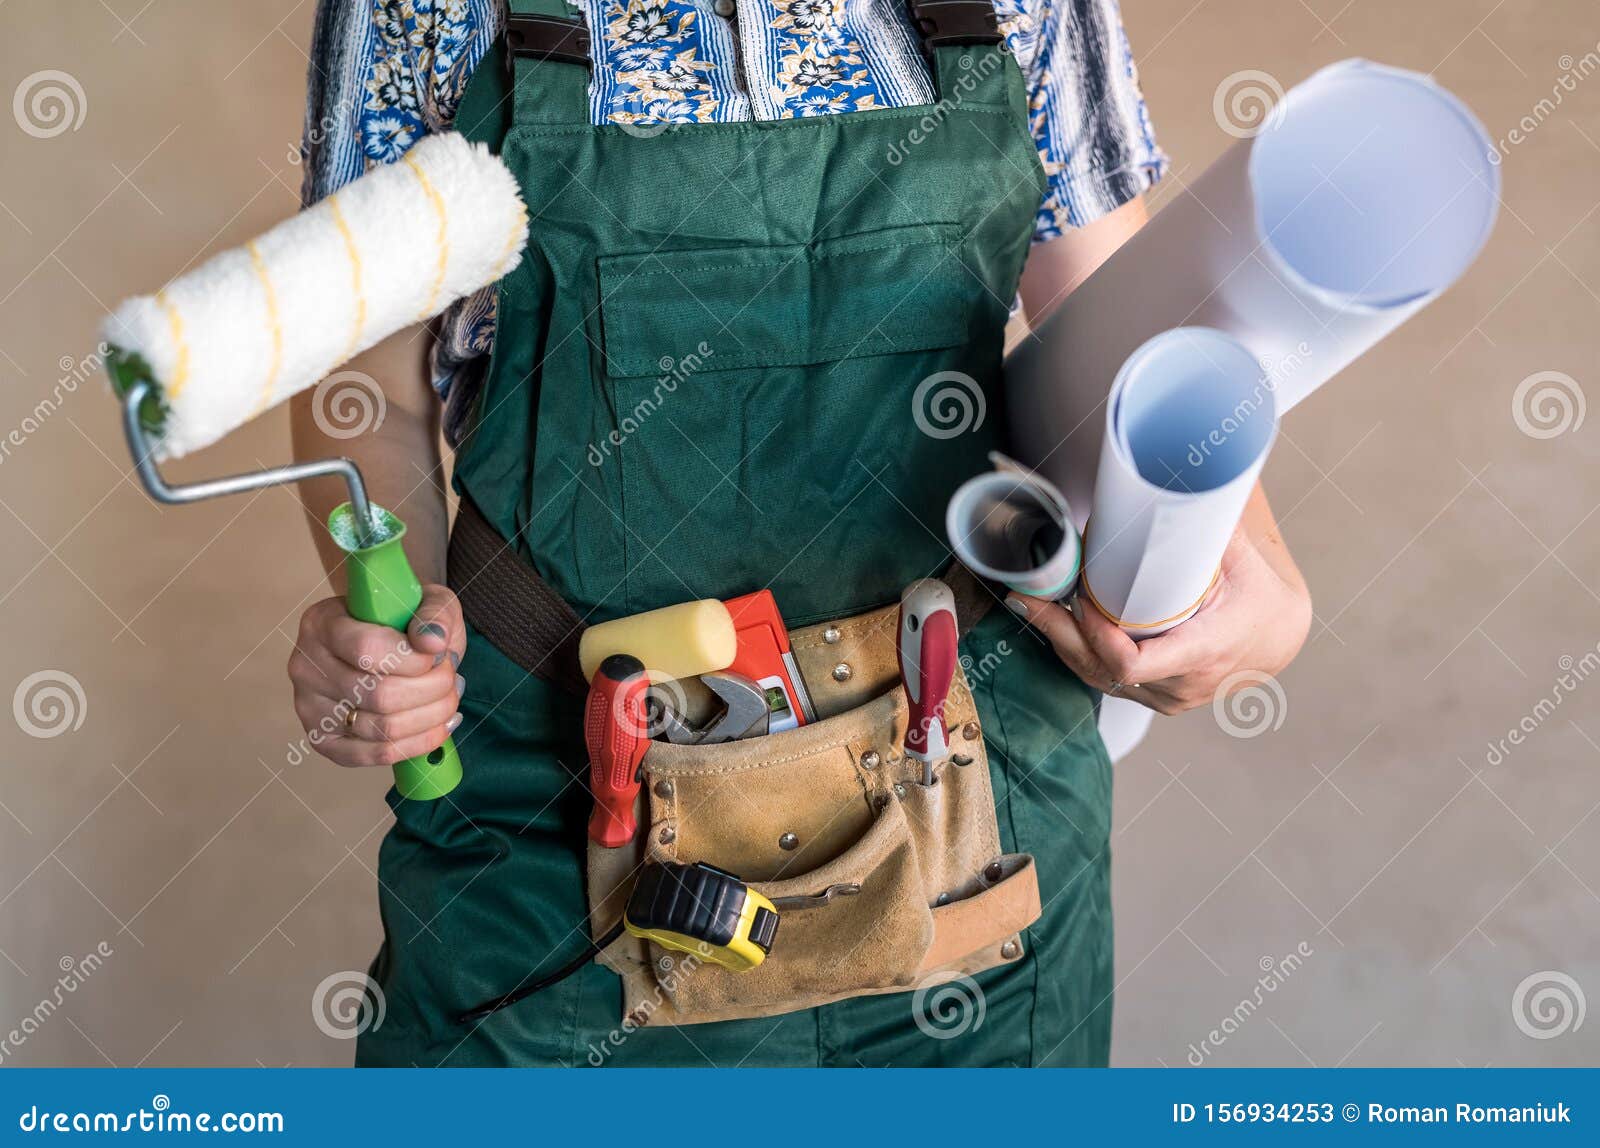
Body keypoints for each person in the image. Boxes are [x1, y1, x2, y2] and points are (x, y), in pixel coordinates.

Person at [286, 0, 1310, 1066]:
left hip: (970, 813)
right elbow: (364, 385)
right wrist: (396, 633)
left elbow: (1115, 327)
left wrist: (1262, 578)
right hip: (560, 827)